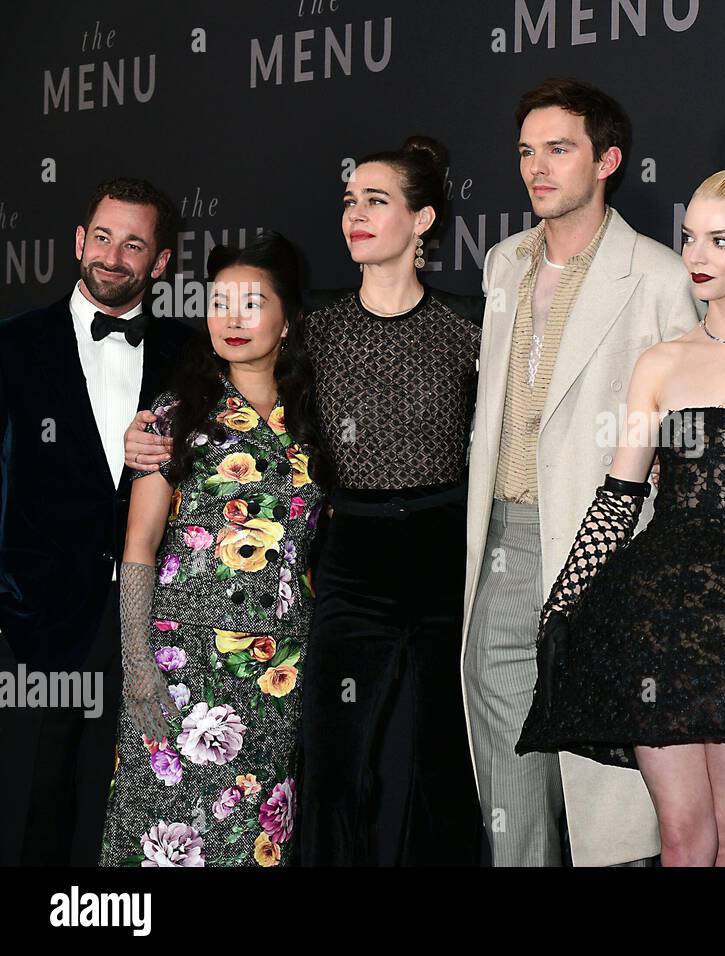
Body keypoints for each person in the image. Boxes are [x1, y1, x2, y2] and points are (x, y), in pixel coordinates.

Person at [126, 138, 485, 866]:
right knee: (332, 766)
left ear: (424, 221)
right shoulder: (314, 326)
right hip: (351, 557)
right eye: (349, 200)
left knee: (445, 763)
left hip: (450, 551)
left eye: (375, 201)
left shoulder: (472, 323)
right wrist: (147, 429)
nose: (353, 213)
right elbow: (223, 364)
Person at [516, 141, 725, 867]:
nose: (698, 255)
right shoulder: (661, 361)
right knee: (679, 838)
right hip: (658, 612)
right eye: (691, 237)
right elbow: (619, 497)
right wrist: (562, 603)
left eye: (721, 240)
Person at [461, 77, 701, 868]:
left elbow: (688, 429)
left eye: (558, 149)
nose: (537, 166)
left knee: (609, 788)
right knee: (506, 767)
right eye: (527, 151)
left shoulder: (659, 274)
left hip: (607, 546)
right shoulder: (502, 264)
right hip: (502, 538)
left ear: (608, 159)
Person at [100, 232, 327, 866]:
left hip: (276, 671)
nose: (232, 318)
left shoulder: (316, 418)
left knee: (251, 842)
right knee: (159, 845)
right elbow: (139, 545)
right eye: (219, 301)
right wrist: (138, 664)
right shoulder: (175, 415)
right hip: (178, 666)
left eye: (251, 302)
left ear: (287, 319)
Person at [0, 178, 193, 865]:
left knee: (128, 814)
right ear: (79, 242)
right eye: (103, 238)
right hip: (37, 626)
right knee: (32, 812)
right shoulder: (13, 347)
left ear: (161, 263)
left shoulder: (190, 356)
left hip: (152, 623)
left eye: (134, 243)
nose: (114, 256)